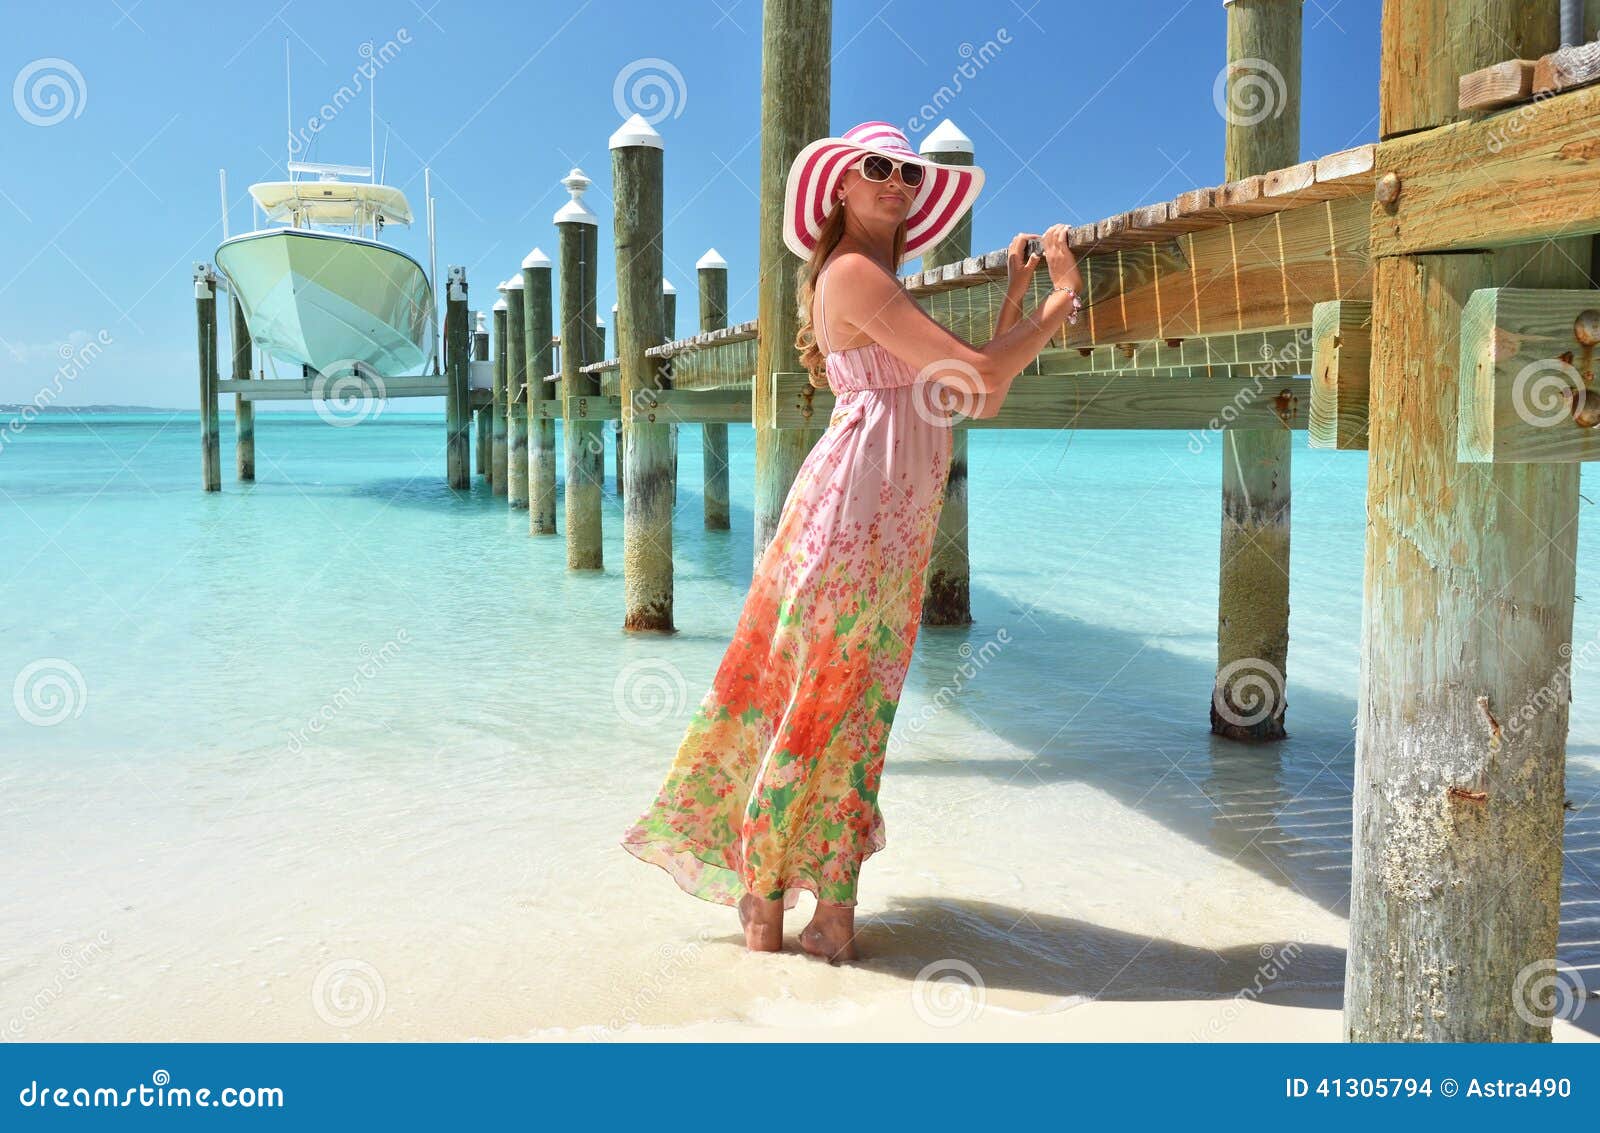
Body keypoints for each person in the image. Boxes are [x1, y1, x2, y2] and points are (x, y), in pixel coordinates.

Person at [621, 121, 1084, 962]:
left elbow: (976, 395)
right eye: (879, 169)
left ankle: (828, 917)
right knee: (818, 705)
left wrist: (1018, 302)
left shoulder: (884, 286)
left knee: (855, 712)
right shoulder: (854, 274)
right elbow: (977, 379)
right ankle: (768, 909)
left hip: (890, 526)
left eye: (908, 172)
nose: (898, 183)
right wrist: (1061, 304)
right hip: (851, 519)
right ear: (839, 185)